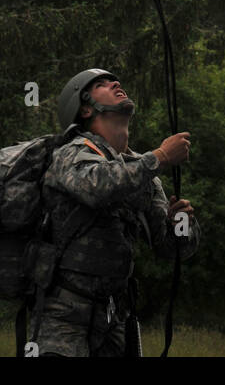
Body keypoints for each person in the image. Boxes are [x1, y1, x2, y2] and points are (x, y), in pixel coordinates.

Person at [31, 68, 199, 356]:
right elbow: (99, 185)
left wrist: (180, 224)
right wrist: (159, 157)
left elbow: (172, 250)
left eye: (114, 81)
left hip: (114, 319)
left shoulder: (143, 174)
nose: (116, 84)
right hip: (63, 319)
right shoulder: (70, 153)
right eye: (101, 84)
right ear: (85, 108)